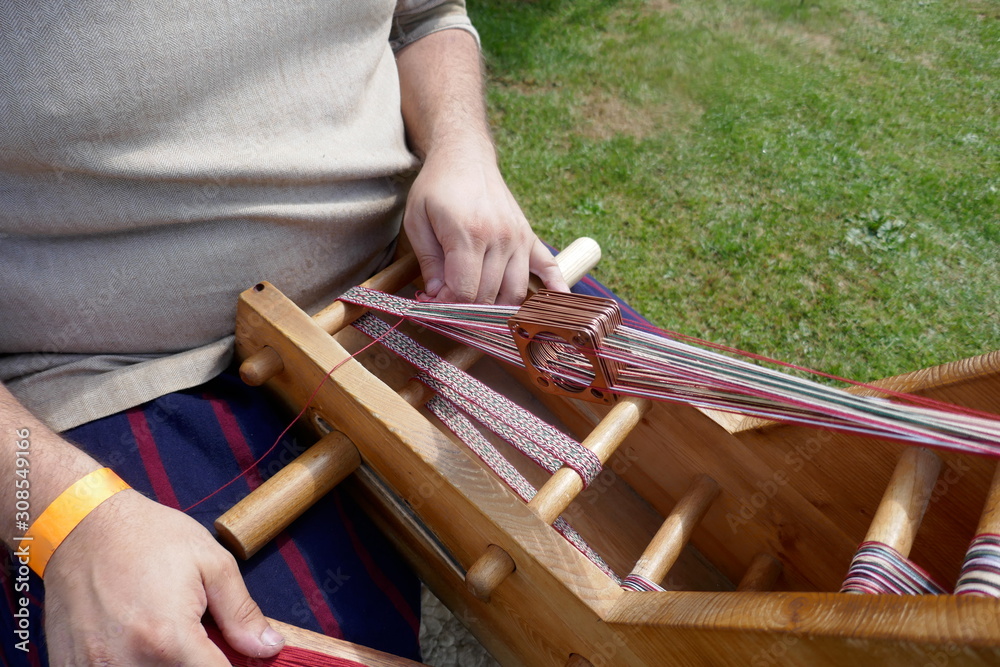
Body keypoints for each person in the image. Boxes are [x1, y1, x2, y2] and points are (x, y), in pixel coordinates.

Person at [0, 1, 568, 664]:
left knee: (697, 565)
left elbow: (426, 16)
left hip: (418, 284)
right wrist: (64, 520)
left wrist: (462, 149)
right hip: (122, 375)